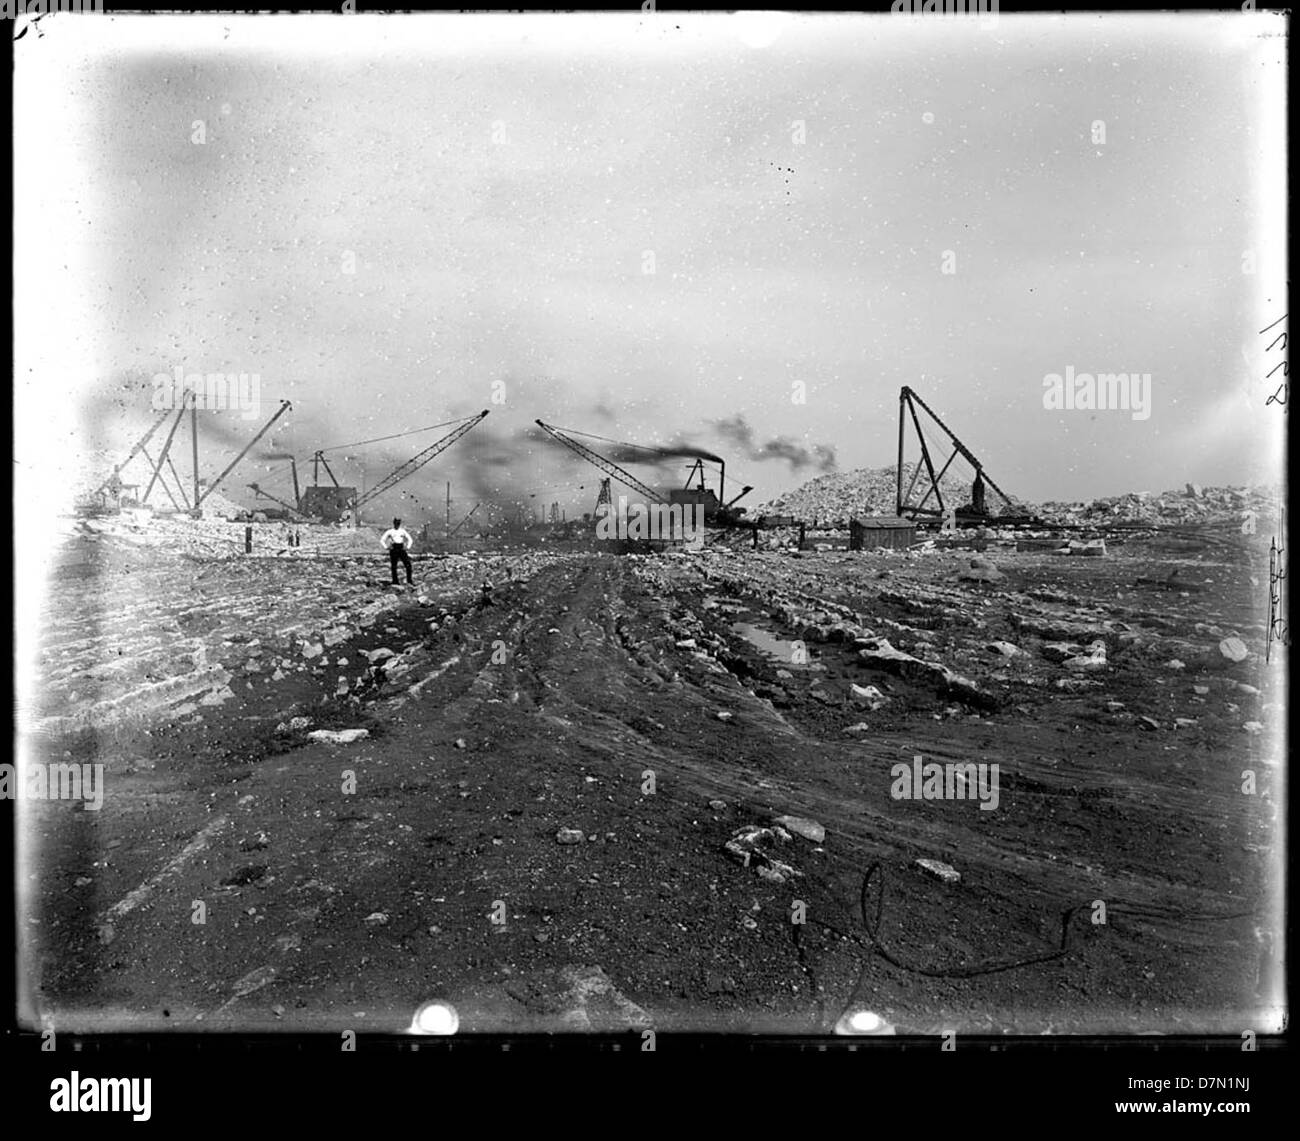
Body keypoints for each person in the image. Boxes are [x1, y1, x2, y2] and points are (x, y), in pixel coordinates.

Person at [381, 517, 414, 585]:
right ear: (394, 523)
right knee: (394, 566)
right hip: (394, 548)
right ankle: (395, 581)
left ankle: (409, 581)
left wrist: (407, 547)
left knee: (408, 565)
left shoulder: (402, 531)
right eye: (396, 523)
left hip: (401, 548)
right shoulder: (390, 531)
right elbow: (382, 540)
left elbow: (410, 539)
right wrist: (386, 547)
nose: (397, 524)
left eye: (398, 523)